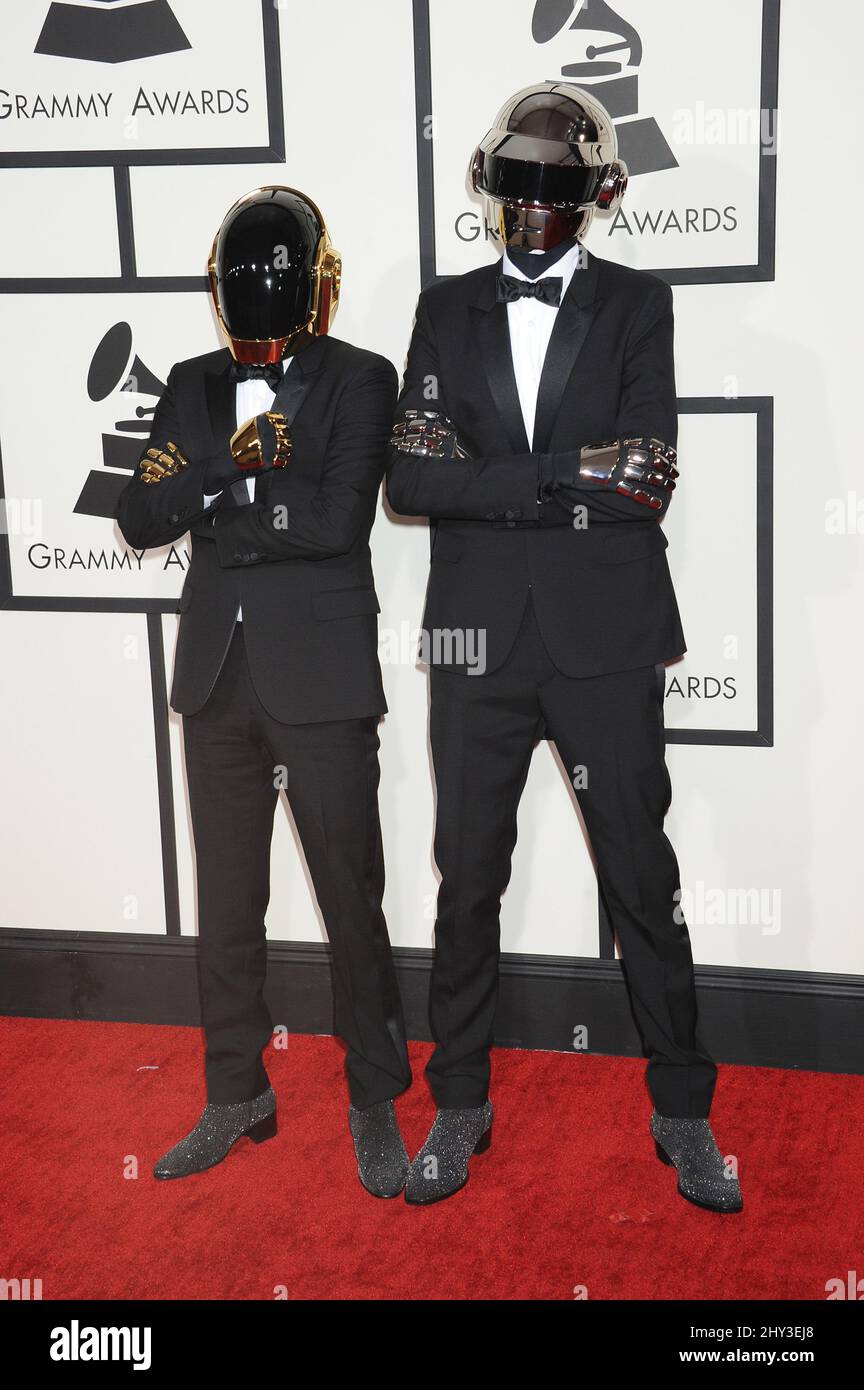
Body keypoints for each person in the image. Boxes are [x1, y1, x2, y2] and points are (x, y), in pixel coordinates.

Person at [387, 85, 742, 1212]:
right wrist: (556, 473)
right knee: (465, 874)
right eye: (517, 184)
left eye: (555, 186)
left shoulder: (642, 303)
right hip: (475, 635)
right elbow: (409, 481)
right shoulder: (444, 309)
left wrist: (494, 481)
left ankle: (683, 1110)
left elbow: (642, 484)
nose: (531, 207)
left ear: (596, 196)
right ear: (492, 188)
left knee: (643, 873)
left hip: (607, 632)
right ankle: (459, 1102)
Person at [116, 186, 412, 1195]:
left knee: (350, 901)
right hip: (215, 682)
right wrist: (234, 470)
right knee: (227, 906)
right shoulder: (191, 382)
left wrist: (213, 495)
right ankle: (235, 1089)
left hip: (322, 683)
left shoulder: (364, 379)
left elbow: (336, 523)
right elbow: (139, 514)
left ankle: (374, 1093)